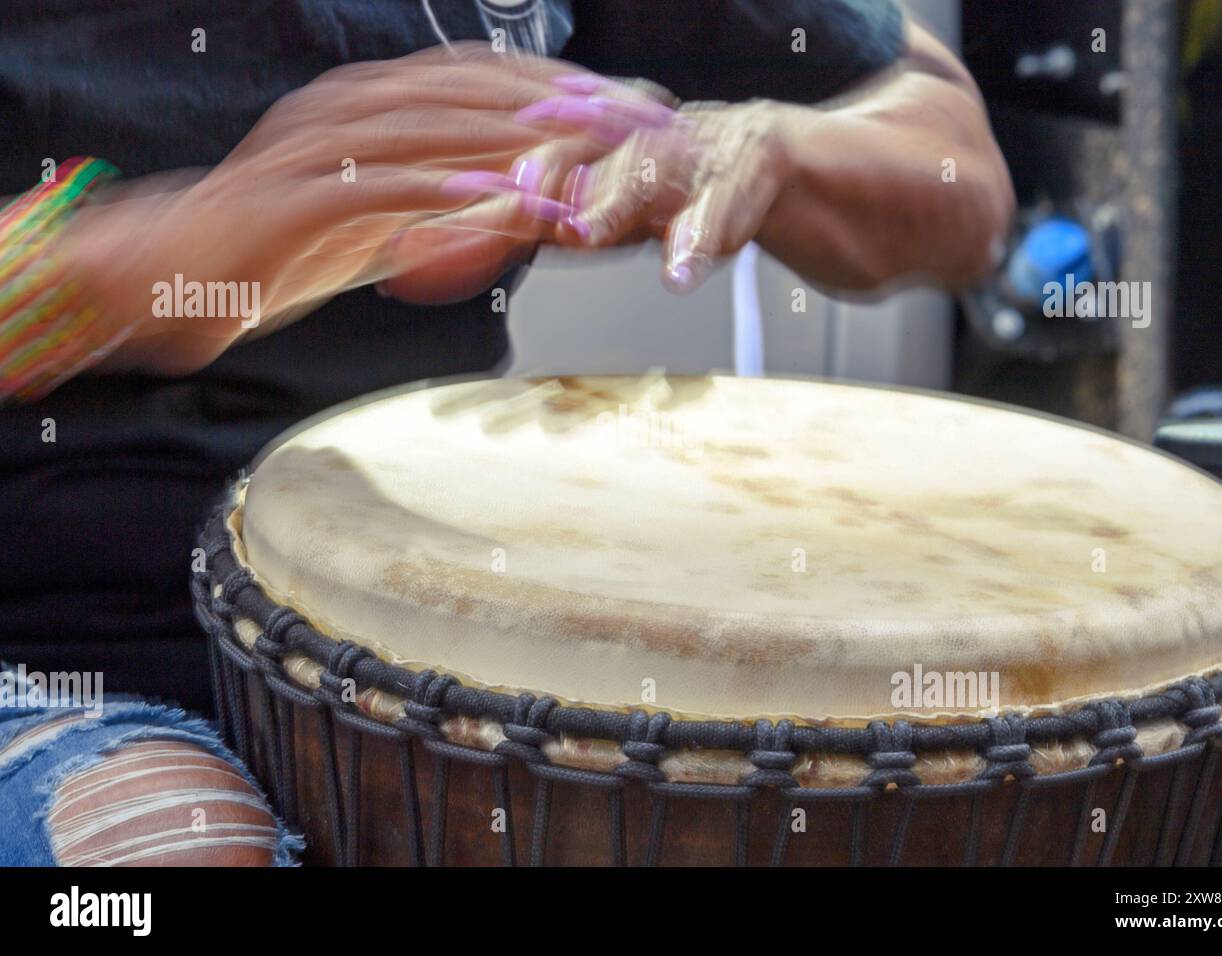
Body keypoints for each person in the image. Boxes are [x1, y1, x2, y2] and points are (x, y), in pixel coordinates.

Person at [0, 0, 1012, 711]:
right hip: (63, 656)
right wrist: (129, 267)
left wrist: (762, 151)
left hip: (419, 638)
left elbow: (950, 156)